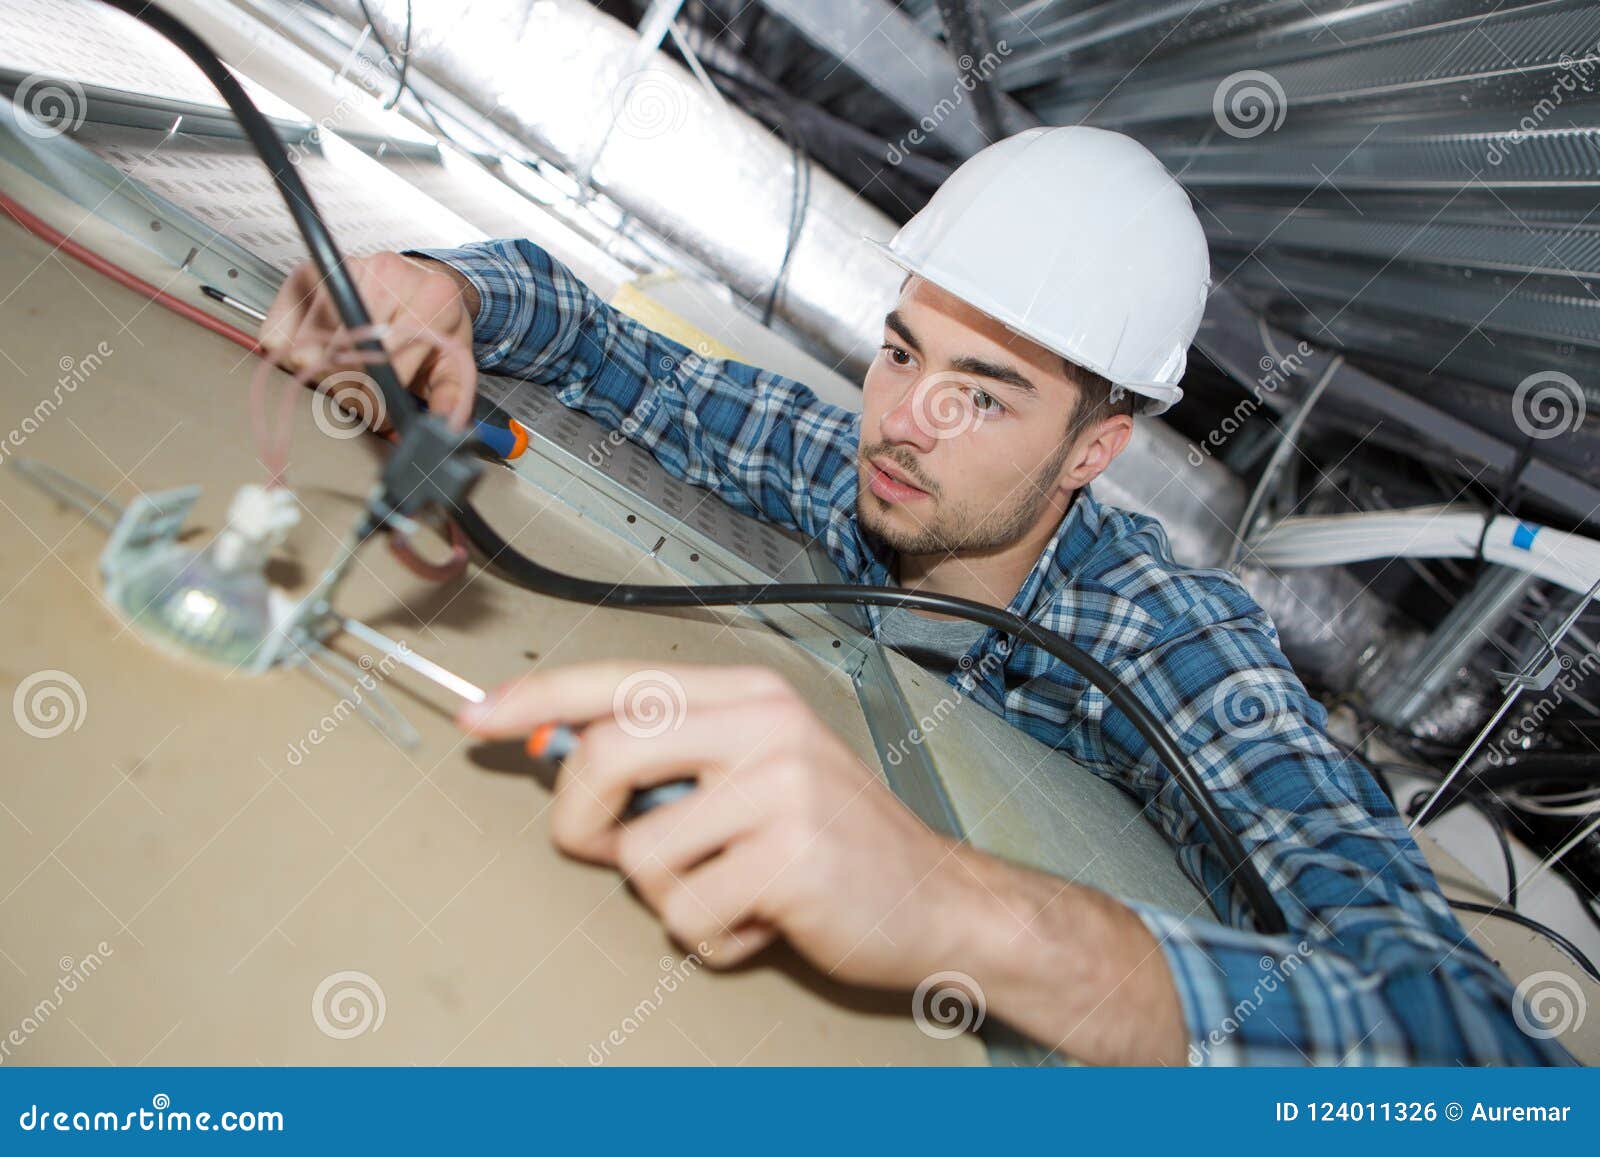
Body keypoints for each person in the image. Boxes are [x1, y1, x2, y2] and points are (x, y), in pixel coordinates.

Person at [262, 127, 1572, 1066]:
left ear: (1092, 453)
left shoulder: (1170, 637)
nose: (904, 420)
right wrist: (449, 292)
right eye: (903, 351)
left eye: (984, 392)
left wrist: (952, 906)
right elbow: (618, 354)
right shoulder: (874, 471)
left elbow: (1466, 1055)